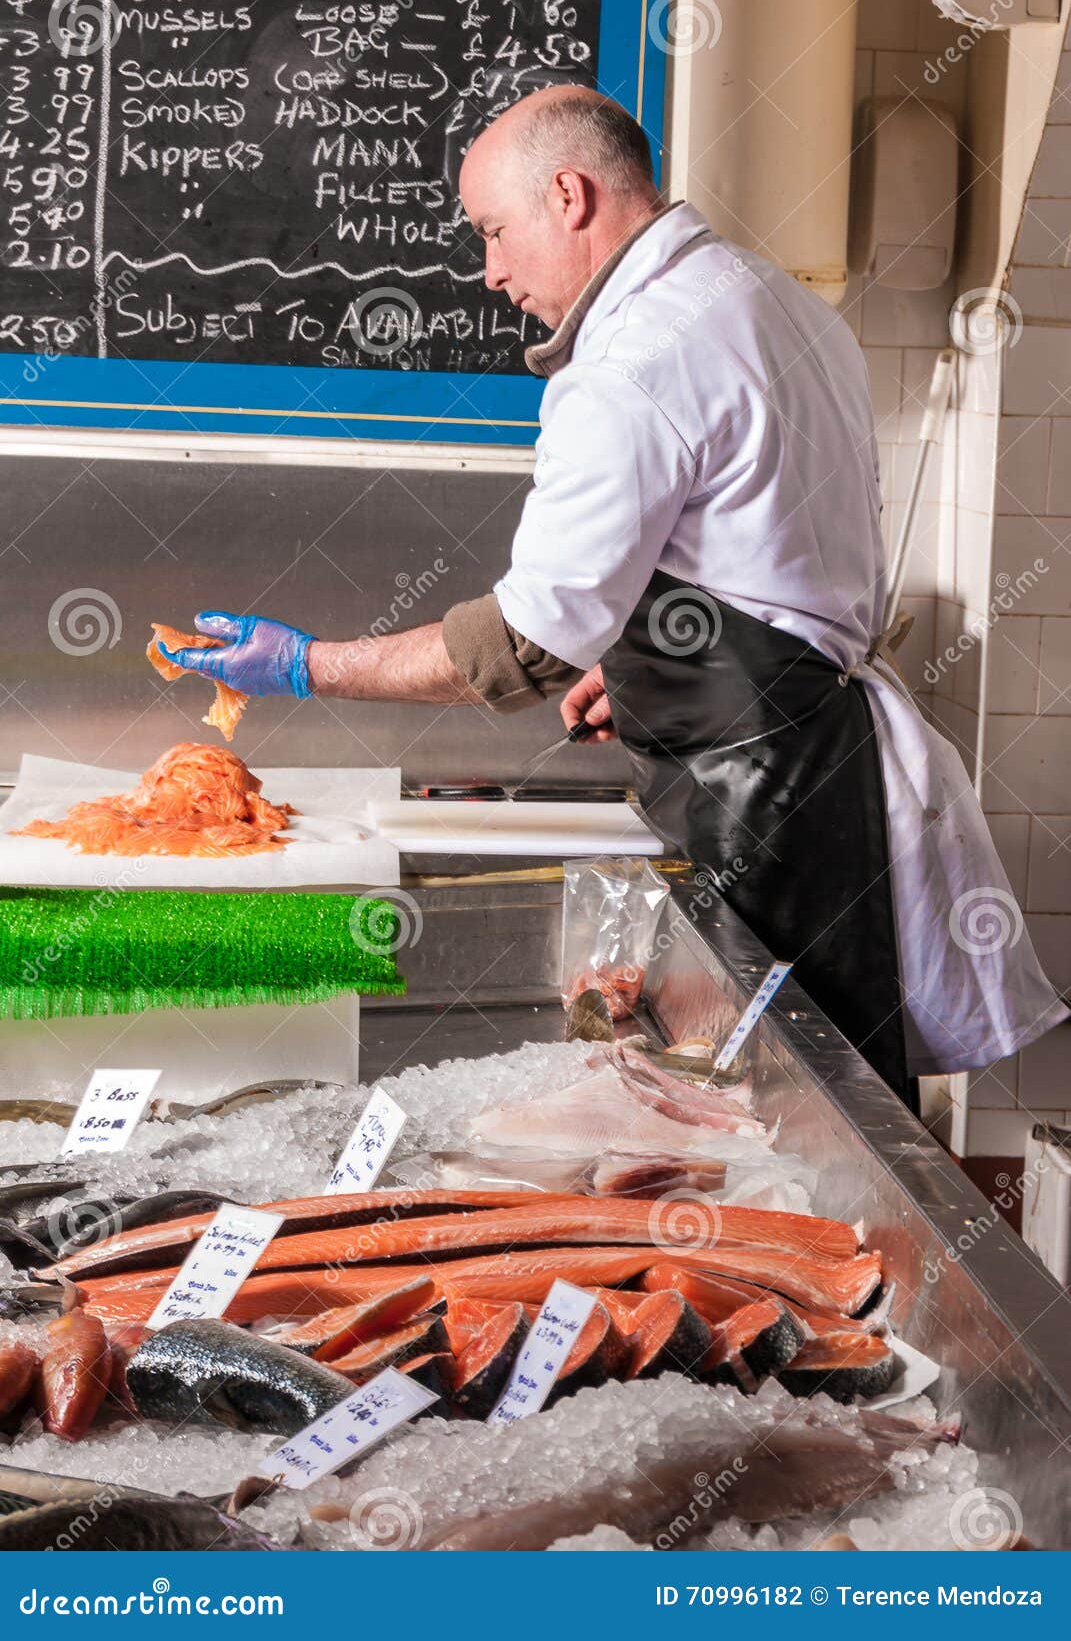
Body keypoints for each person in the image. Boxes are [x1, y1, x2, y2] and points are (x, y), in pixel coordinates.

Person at [159, 85, 1067, 1115]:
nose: (491, 270)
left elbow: (520, 645)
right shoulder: (769, 301)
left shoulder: (633, 360)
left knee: (782, 1129)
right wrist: (636, 666)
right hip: (815, 768)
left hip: (767, 812)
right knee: (823, 1108)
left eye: (495, 232)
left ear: (570, 195)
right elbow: (760, 562)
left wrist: (306, 665)